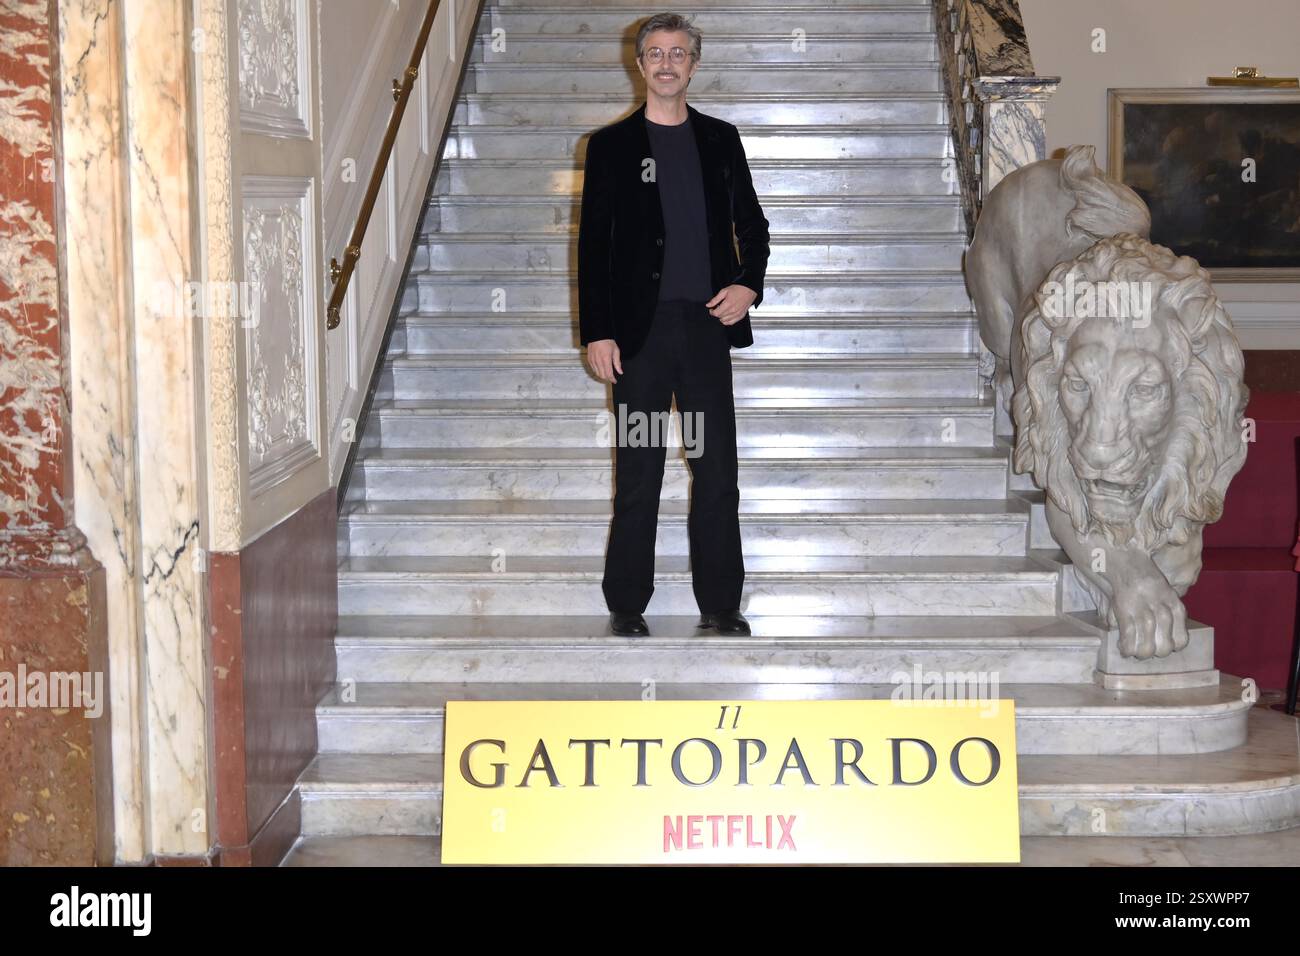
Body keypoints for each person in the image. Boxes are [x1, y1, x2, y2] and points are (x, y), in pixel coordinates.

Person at [577, 12, 770, 637]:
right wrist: (598, 330)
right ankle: (626, 604)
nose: (666, 63)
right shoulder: (609, 148)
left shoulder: (721, 141)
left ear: (693, 64)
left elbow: (755, 228)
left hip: (705, 333)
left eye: (678, 53)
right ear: (639, 64)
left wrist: (747, 284)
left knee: (715, 469)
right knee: (640, 468)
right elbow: (594, 247)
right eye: (655, 53)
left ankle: (720, 604)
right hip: (638, 341)